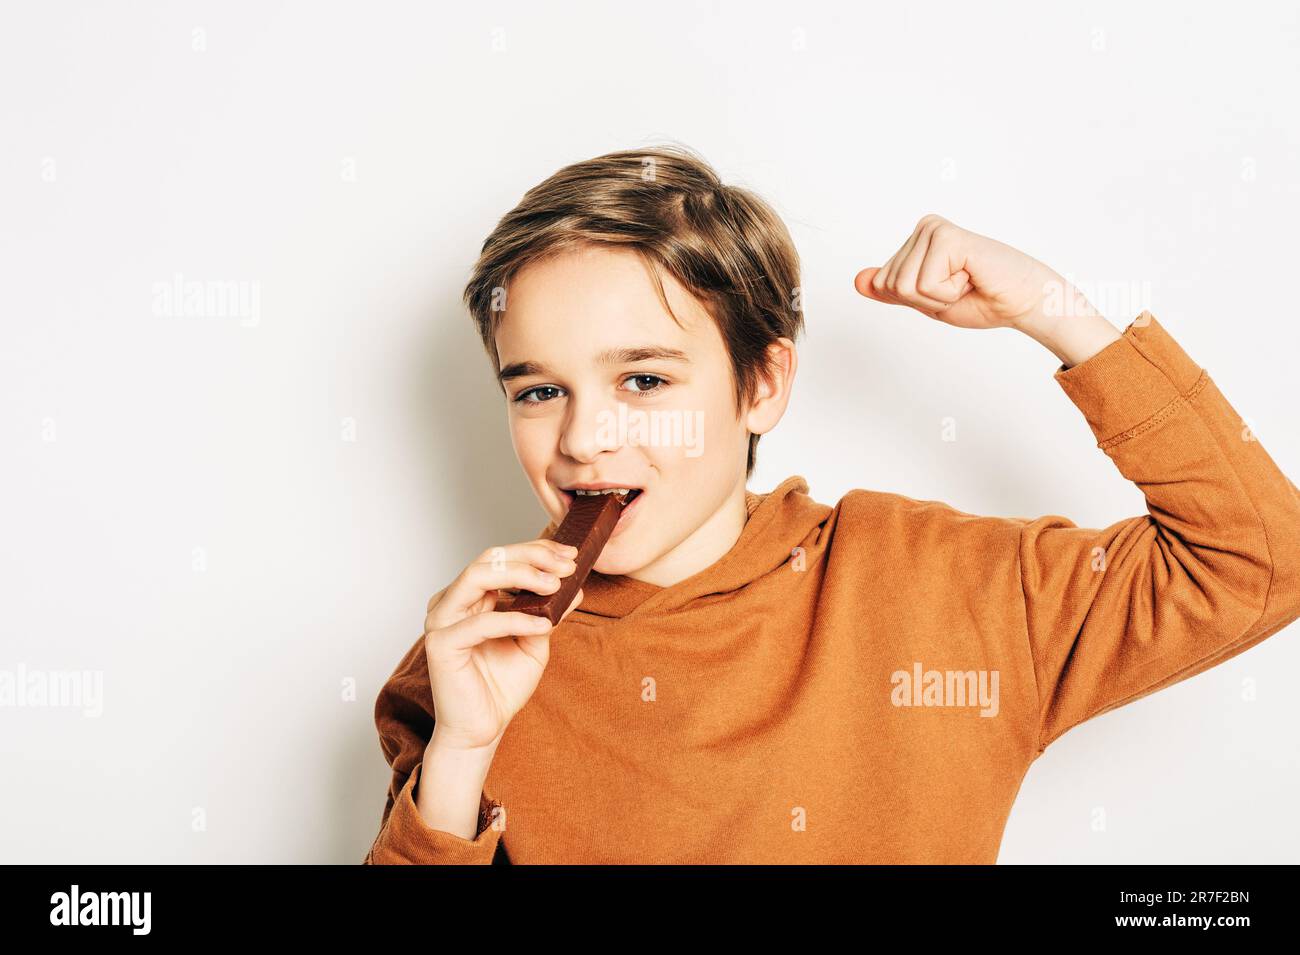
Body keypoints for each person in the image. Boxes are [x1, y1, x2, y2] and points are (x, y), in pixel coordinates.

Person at [364, 145, 1300, 864]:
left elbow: (1261, 559)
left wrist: (1054, 311)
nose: (583, 438)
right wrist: (459, 757)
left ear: (762, 384)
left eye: (644, 379)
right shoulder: (474, 662)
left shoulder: (948, 586)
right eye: (537, 390)